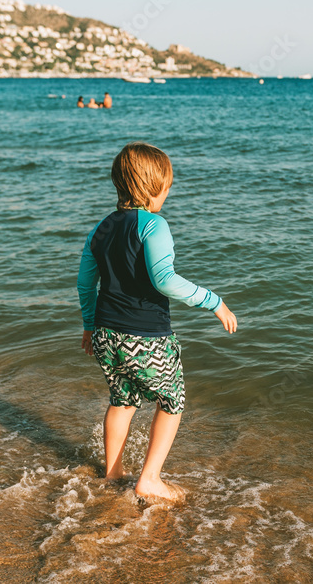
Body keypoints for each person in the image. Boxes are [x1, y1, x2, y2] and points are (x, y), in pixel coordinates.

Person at [77, 142, 238, 503]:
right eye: (167, 187)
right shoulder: (154, 225)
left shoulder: (99, 230)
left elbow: (85, 283)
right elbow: (164, 279)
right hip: (145, 336)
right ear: (153, 188)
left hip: (106, 333)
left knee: (122, 401)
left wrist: (89, 327)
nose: (168, 193)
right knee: (172, 400)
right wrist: (214, 301)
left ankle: (113, 474)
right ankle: (149, 479)